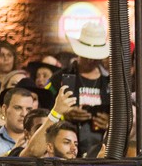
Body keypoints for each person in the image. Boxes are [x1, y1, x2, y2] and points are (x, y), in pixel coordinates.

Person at [48, 21, 111, 156]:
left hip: (103, 151)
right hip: (65, 151)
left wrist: (110, 125)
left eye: (95, 57)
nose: (90, 60)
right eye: (87, 55)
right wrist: (64, 115)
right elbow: (44, 110)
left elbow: (126, 118)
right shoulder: (58, 79)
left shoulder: (111, 83)